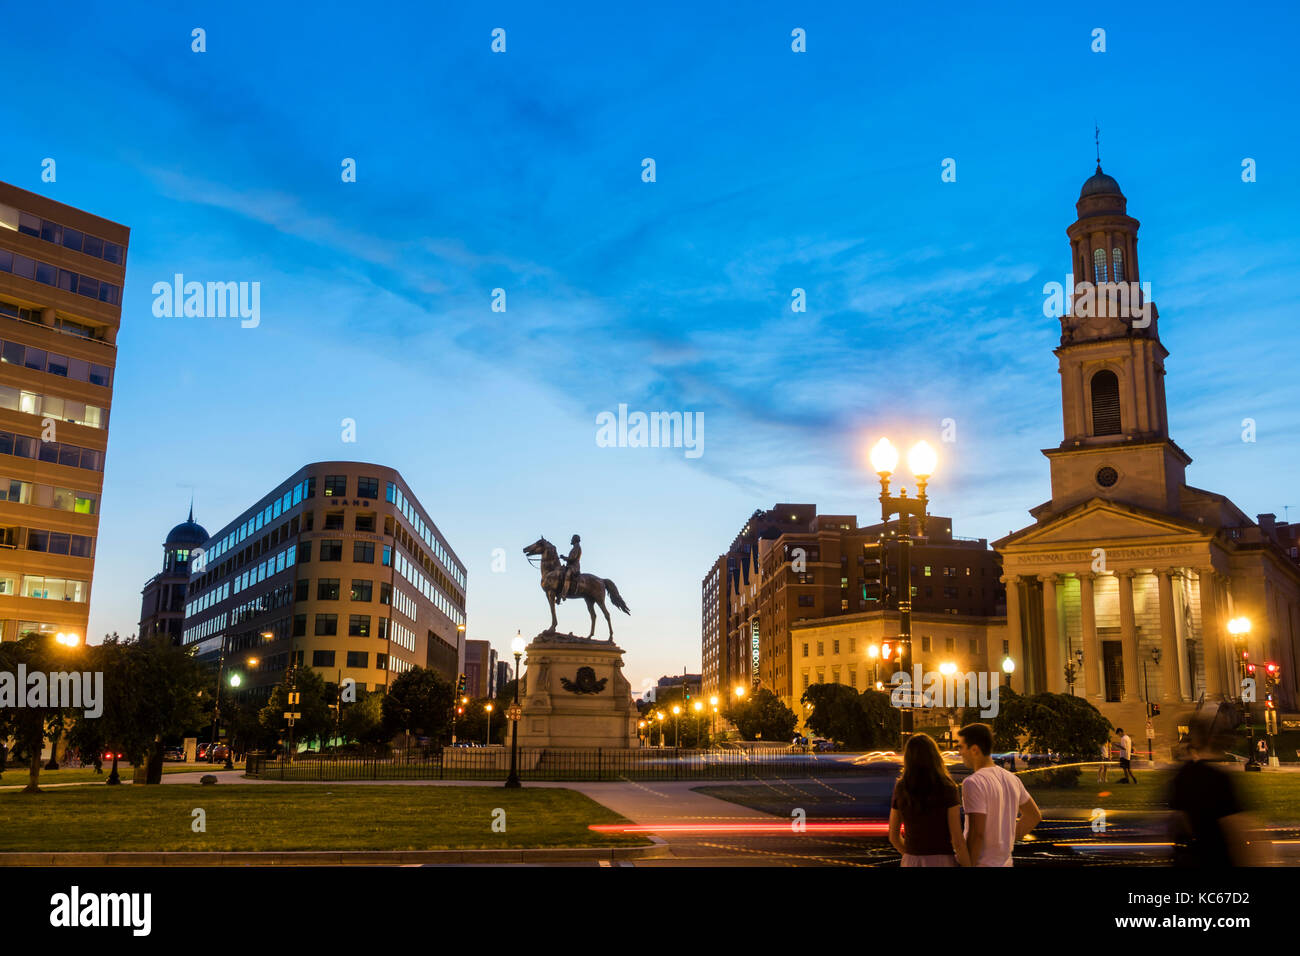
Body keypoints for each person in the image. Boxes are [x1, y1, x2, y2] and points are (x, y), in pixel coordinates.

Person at [1168, 704, 1265, 866]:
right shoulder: (1218, 779)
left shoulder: (1182, 775)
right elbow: (1236, 833)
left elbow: (1177, 824)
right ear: (1214, 737)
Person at [957, 723, 1042, 866]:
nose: (959, 753)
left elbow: (976, 834)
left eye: (961, 747)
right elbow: (1033, 816)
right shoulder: (1012, 779)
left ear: (975, 750)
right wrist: (1006, 838)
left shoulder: (973, 783)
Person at [889, 733, 970, 867]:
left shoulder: (902, 787)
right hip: (942, 860)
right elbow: (957, 840)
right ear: (935, 757)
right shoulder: (947, 787)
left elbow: (893, 836)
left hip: (911, 860)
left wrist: (911, 855)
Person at [558, 534, 581, 601]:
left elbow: (572, 558)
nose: (571, 540)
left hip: (574, 567)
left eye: (572, 539)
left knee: (568, 575)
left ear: (575, 540)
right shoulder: (574, 547)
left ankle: (564, 594)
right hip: (570, 566)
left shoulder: (577, 547)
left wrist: (564, 557)